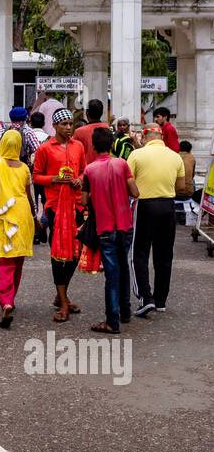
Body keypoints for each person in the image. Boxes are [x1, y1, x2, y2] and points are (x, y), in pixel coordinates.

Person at [81, 126, 139, 334]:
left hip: (105, 227)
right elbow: (135, 192)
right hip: (125, 224)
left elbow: (84, 200)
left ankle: (112, 321)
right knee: (124, 268)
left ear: (94, 146)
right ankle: (125, 311)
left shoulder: (89, 170)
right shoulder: (122, 164)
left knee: (112, 275)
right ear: (113, 144)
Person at [32, 107, 86, 322]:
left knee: (75, 252)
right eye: (64, 124)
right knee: (58, 254)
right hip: (54, 207)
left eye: (71, 124)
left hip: (76, 205)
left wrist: (80, 179)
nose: (68, 128)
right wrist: (53, 179)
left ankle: (61, 294)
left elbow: (84, 170)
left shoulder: (79, 146)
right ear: (54, 126)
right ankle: (63, 301)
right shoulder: (45, 148)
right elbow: (36, 176)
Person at [128, 124, 184, 315]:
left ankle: (145, 297)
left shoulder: (137, 155)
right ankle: (160, 300)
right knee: (164, 254)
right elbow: (181, 185)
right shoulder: (175, 156)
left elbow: (128, 181)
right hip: (168, 206)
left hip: (144, 206)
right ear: (161, 137)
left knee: (139, 253)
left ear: (144, 137)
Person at [0, 129, 36, 328]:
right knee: (16, 259)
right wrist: (34, 217)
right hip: (22, 215)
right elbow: (29, 196)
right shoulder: (24, 168)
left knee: (0, 260)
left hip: (3, 215)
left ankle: (6, 301)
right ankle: (10, 297)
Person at [72, 98, 106, 165]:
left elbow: (73, 152)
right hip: (106, 168)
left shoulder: (79, 132)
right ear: (102, 112)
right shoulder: (107, 128)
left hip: (86, 170)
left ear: (87, 113)